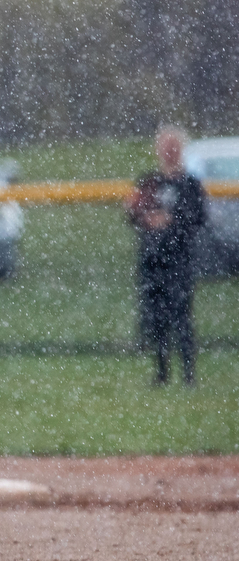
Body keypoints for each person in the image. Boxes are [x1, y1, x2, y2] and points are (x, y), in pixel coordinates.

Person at [124, 126, 208, 386]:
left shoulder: (190, 184)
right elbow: (133, 215)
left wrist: (171, 220)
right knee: (156, 320)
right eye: (164, 146)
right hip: (152, 260)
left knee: (181, 317)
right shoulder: (149, 181)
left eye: (173, 146)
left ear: (181, 149)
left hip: (178, 260)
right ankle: (161, 374)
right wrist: (138, 213)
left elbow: (199, 217)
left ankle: (188, 376)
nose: (168, 151)